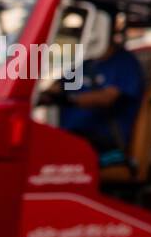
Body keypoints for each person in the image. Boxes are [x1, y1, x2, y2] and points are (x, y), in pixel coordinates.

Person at [40, 27, 145, 165]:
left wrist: (71, 99)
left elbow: (108, 97)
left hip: (104, 141)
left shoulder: (125, 63)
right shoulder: (83, 61)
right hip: (71, 137)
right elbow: (58, 88)